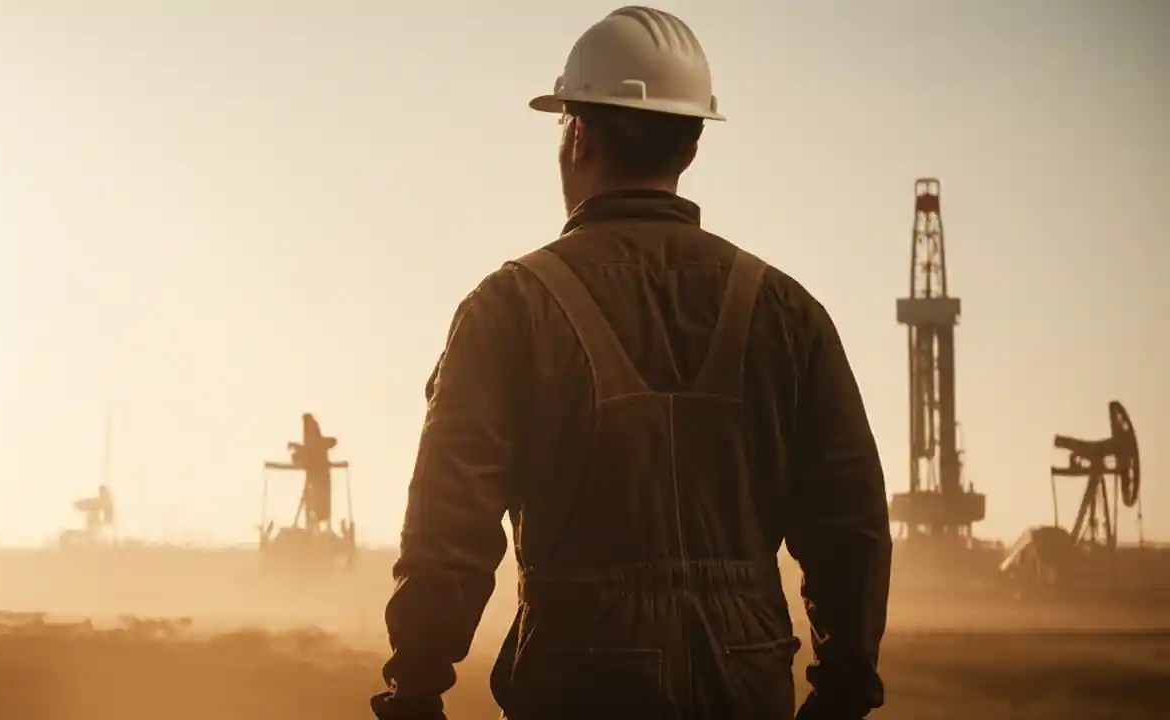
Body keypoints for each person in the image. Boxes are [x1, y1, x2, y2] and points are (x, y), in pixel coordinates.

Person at [371, 6, 891, 719]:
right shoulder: (787, 312)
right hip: (746, 679)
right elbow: (850, 527)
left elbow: (448, 523)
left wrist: (415, 685)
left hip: (578, 681)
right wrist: (843, 690)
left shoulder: (509, 310)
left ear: (578, 135)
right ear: (692, 145)